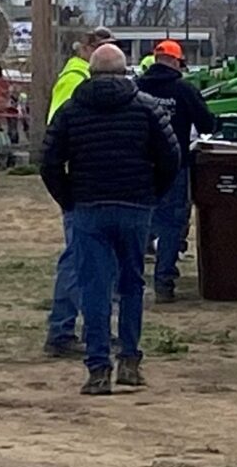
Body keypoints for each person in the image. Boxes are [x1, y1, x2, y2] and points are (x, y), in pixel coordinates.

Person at [39, 44, 181, 395]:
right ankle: (129, 361)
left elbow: (49, 161)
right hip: (135, 206)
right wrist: (151, 194)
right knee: (132, 285)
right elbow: (170, 157)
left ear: (90, 73)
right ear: (125, 71)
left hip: (89, 207)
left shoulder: (71, 110)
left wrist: (69, 200)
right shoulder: (146, 108)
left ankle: (98, 368)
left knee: (94, 288)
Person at [42, 26, 117, 358]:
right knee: (77, 260)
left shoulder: (84, 78)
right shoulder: (74, 80)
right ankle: (62, 331)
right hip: (82, 186)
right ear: (85, 48)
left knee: (95, 261)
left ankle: (91, 330)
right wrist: (67, 192)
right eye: (100, 47)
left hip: (89, 184)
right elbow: (58, 136)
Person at [136, 39, 218, 302]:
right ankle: (164, 283)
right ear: (174, 61)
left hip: (139, 167)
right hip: (174, 166)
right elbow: (207, 125)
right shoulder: (184, 90)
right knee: (172, 224)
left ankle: (132, 281)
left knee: (139, 220)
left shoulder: (136, 88)